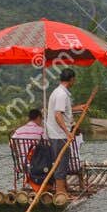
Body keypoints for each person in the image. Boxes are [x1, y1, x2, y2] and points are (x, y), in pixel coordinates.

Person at [43, 68, 80, 198]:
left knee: (62, 161)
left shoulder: (59, 92)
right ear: (71, 79)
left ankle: (63, 187)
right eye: (74, 80)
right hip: (59, 134)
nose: (74, 82)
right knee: (61, 162)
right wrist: (67, 132)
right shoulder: (61, 94)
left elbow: (63, 111)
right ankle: (60, 192)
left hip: (57, 134)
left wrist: (79, 108)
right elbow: (58, 114)